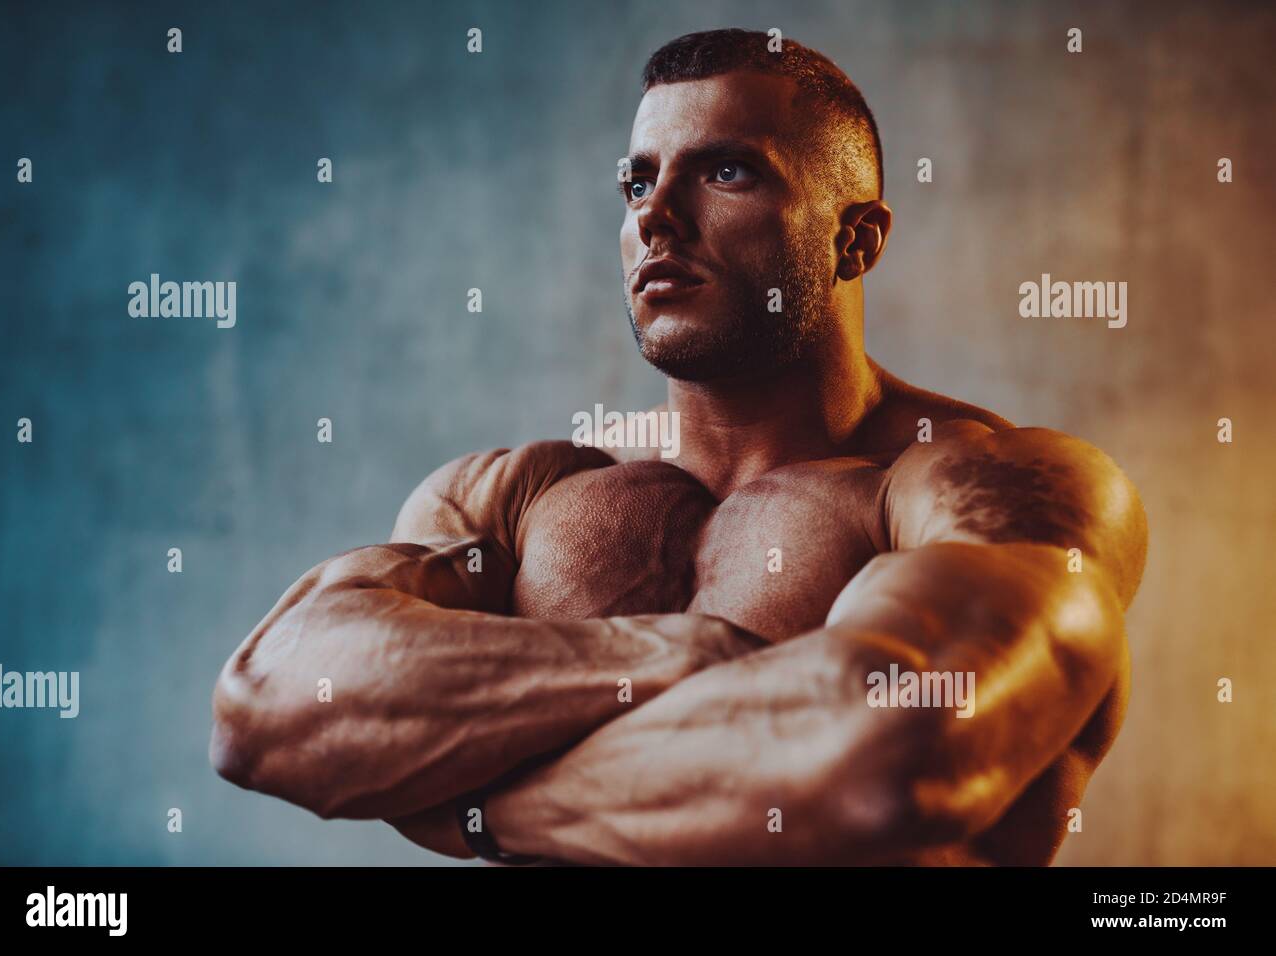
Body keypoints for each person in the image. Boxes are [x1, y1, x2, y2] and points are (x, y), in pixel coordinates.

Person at [210, 29, 1147, 866]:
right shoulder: (520, 497)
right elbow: (268, 715)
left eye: (726, 171)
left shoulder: (987, 482)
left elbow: (894, 755)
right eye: (636, 180)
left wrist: (478, 816)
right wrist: (677, 656)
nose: (656, 214)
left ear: (854, 241)